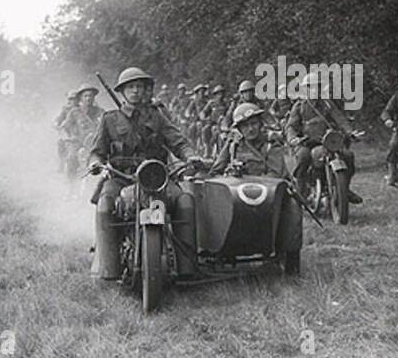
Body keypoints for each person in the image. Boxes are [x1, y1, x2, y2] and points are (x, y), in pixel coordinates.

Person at [87, 67, 206, 279]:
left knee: (185, 201)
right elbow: (97, 151)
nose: (135, 91)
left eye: (139, 87)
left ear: (145, 91)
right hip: (121, 178)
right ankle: (109, 268)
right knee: (105, 205)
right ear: (122, 91)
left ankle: (187, 266)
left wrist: (190, 156)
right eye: (130, 87)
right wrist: (96, 163)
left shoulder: (156, 117)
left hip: (156, 178)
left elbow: (178, 141)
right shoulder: (109, 119)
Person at [212, 101, 304, 273]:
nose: (250, 129)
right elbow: (216, 169)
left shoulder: (271, 144)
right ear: (238, 129)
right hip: (237, 199)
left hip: (267, 198)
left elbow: (276, 174)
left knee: (291, 206)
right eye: (245, 126)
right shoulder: (233, 145)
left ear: (261, 123)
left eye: (254, 123)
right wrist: (228, 167)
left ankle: (286, 254)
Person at [286, 72, 363, 204]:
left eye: (318, 87)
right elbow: (291, 126)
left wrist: (350, 132)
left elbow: (340, 119)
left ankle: (344, 188)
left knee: (348, 155)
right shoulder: (299, 106)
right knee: (304, 157)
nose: (315, 90)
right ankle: (301, 192)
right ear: (306, 89)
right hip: (306, 143)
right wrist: (293, 138)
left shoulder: (327, 104)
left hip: (327, 142)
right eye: (311, 87)